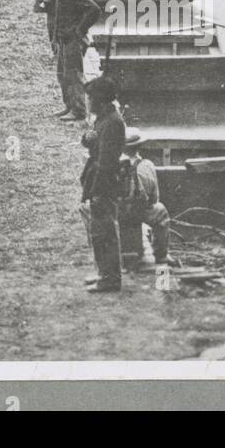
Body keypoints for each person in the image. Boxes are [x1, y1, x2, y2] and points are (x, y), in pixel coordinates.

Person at [81, 76, 126, 292]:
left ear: (99, 100)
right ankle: (103, 273)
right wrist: (88, 137)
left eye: (90, 98)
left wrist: (96, 191)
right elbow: (88, 140)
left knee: (104, 232)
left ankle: (110, 278)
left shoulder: (113, 123)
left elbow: (106, 163)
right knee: (97, 231)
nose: (88, 102)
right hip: (97, 177)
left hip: (104, 182)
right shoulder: (102, 118)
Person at [50, 0, 102, 122]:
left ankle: (79, 111)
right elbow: (59, 18)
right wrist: (55, 38)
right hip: (63, 40)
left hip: (73, 41)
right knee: (62, 75)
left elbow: (94, 10)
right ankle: (69, 105)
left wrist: (80, 30)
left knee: (73, 76)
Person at [118, 128, 171, 267]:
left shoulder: (113, 164)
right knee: (161, 213)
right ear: (139, 146)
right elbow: (154, 197)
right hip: (139, 211)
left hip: (117, 211)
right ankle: (161, 256)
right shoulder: (147, 165)